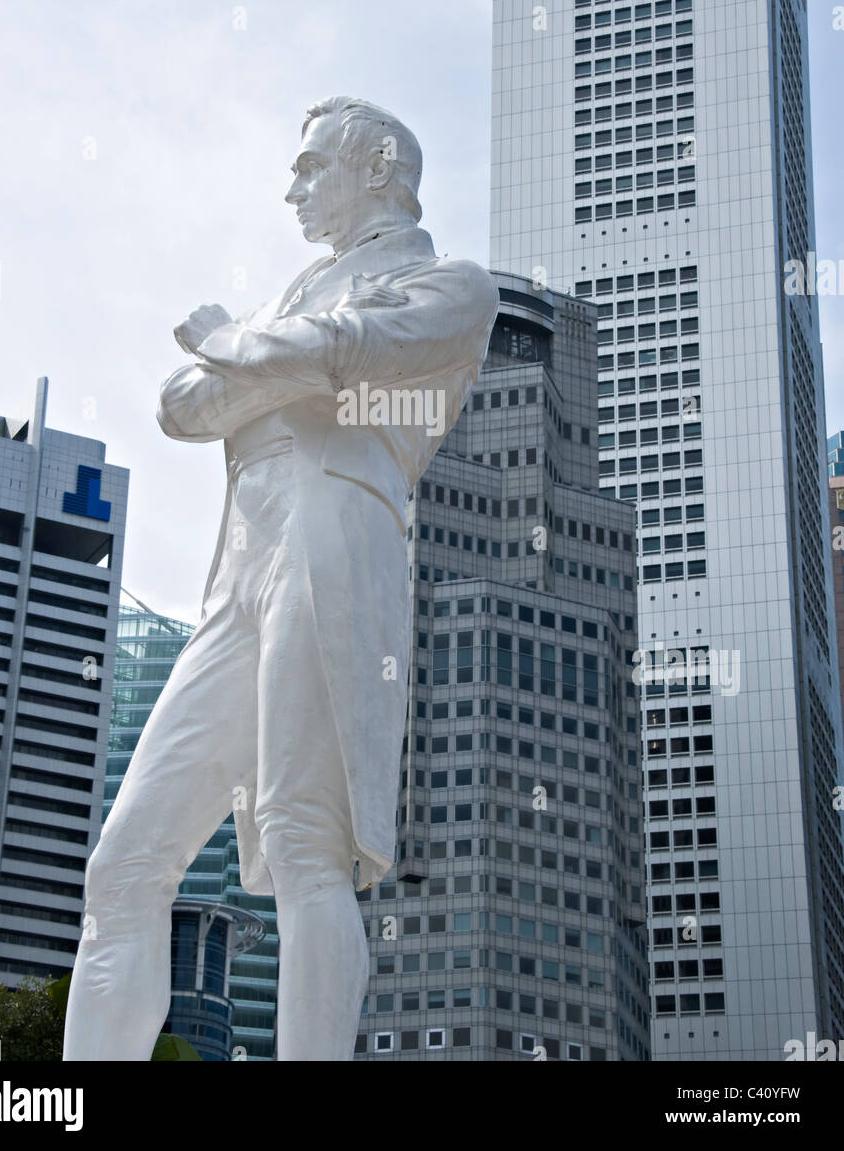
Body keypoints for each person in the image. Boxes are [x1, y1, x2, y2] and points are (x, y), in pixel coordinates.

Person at [63, 96, 498, 1061]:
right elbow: (184, 405)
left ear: (376, 166)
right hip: (239, 576)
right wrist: (273, 357)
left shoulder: (450, 284)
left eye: (310, 168)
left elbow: (353, 354)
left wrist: (241, 346)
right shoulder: (286, 302)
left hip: (334, 543)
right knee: (126, 862)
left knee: (308, 846)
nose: (292, 188)